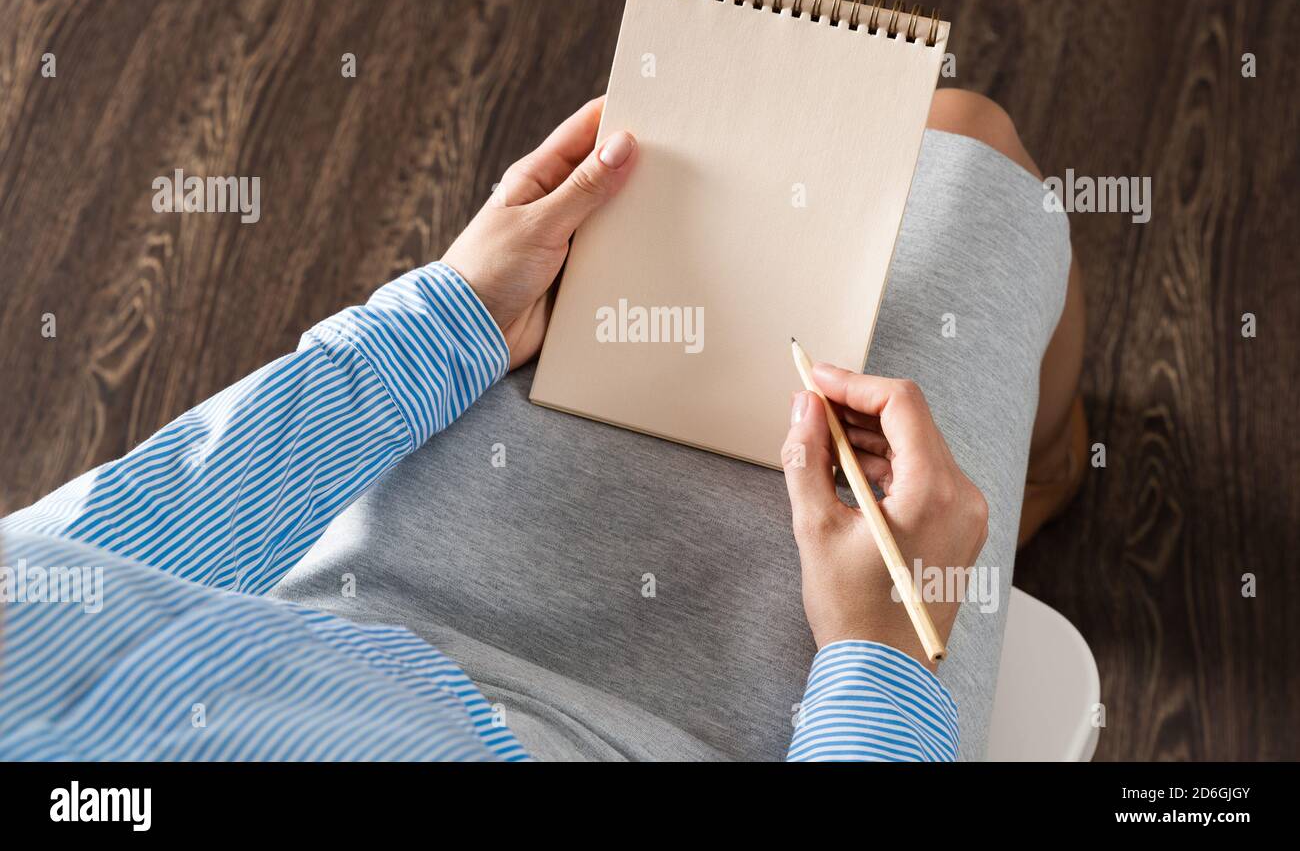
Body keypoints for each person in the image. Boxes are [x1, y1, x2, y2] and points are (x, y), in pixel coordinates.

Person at [0, 93, 1082, 761]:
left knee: (930, 136)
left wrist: (438, 325)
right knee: (971, 140)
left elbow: (73, 566)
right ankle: (1035, 472)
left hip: (350, 627)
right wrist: (880, 657)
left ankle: (1030, 464)